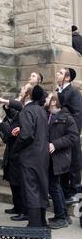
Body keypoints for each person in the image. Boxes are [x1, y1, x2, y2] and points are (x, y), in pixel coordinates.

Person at [13, 84, 49, 227]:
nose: (21, 91)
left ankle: (34, 228)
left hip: (30, 157)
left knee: (32, 190)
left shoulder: (27, 111)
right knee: (41, 188)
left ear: (28, 95)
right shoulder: (41, 110)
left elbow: (27, 135)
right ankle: (41, 223)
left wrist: (16, 148)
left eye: (23, 89)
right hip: (42, 156)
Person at [45, 93, 79, 229]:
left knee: (54, 186)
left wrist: (55, 144)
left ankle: (61, 217)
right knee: (55, 186)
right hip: (50, 158)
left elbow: (73, 137)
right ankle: (64, 215)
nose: (45, 100)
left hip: (58, 158)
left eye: (48, 98)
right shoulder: (48, 116)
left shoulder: (66, 118)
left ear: (53, 102)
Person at [0, 97, 27, 221]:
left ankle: (24, 210)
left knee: (18, 183)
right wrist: (6, 106)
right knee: (13, 182)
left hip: (18, 153)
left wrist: (0, 121)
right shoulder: (18, 113)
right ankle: (17, 207)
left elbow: (11, 132)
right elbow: (11, 115)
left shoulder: (24, 114)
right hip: (12, 152)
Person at [56, 67, 82, 202]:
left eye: (60, 73)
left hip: (70, 135)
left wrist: (72, 134)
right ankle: (64, 191)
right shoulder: (57, 91)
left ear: (67, 78)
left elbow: (78, 115)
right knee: (63, 164)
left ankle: (75, 192)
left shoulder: (74, 92)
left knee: (74, 164)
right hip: (59, 135)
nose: (57, 74)